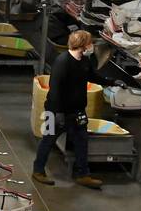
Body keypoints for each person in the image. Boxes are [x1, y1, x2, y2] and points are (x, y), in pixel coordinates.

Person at [32, 29, 102, 189]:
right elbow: (55, 89)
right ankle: (38, 171)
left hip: (76, 112)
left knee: (81, 142)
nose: (92, 46)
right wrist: (59, 114)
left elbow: (92, 76)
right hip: (54, 112)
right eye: (90, 43)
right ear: (83, 45)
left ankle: (83, 174)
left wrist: (112, 81)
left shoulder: (84, 61)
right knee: (47, 140)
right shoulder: (62, 62)